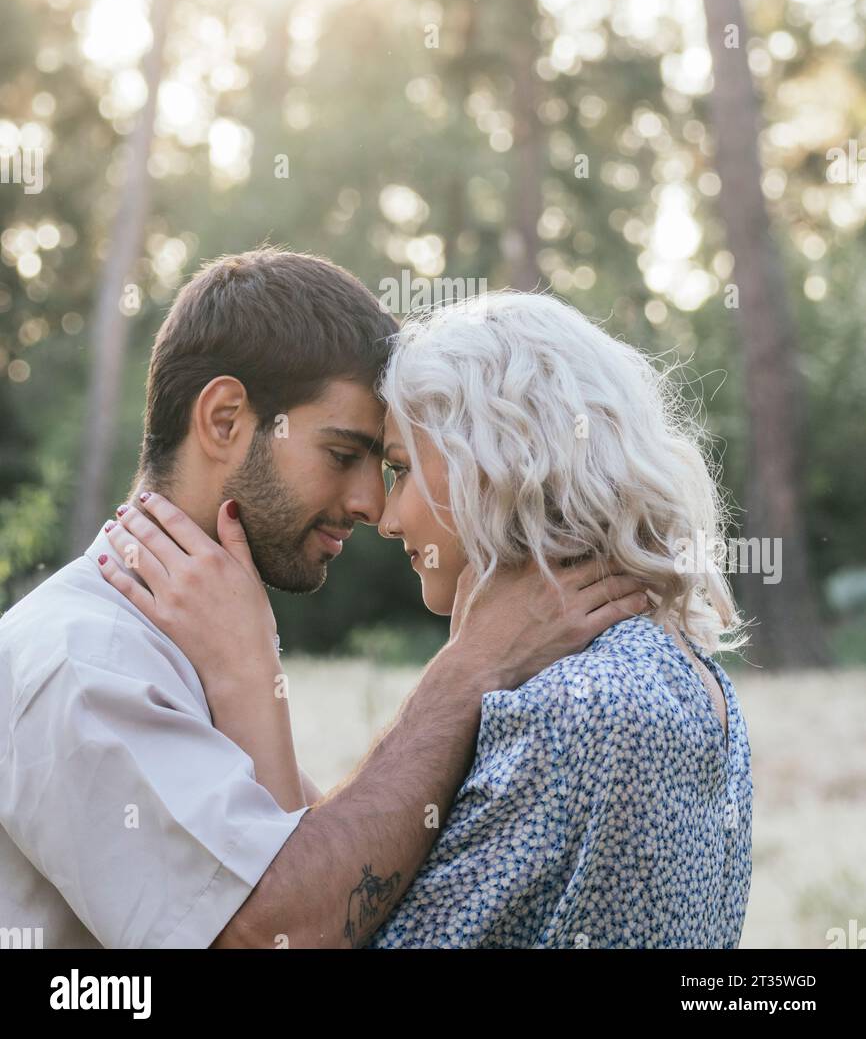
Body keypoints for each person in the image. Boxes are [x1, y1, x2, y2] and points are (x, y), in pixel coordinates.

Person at [0, 249, 648, 950]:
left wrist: (250, 677)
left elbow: (322, 871)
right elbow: (274, 936)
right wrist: (468, 671)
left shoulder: (182, 636)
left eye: (386, 465)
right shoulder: (86, 661)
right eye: (343, 455)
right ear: (224, 419)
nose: (372, 503)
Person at [99, 288, 753, 949]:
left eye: (401, 469)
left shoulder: (574, 710)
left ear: (501, 463)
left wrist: (247, 669)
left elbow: (308, 931)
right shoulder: (686, 677)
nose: (385, 517)